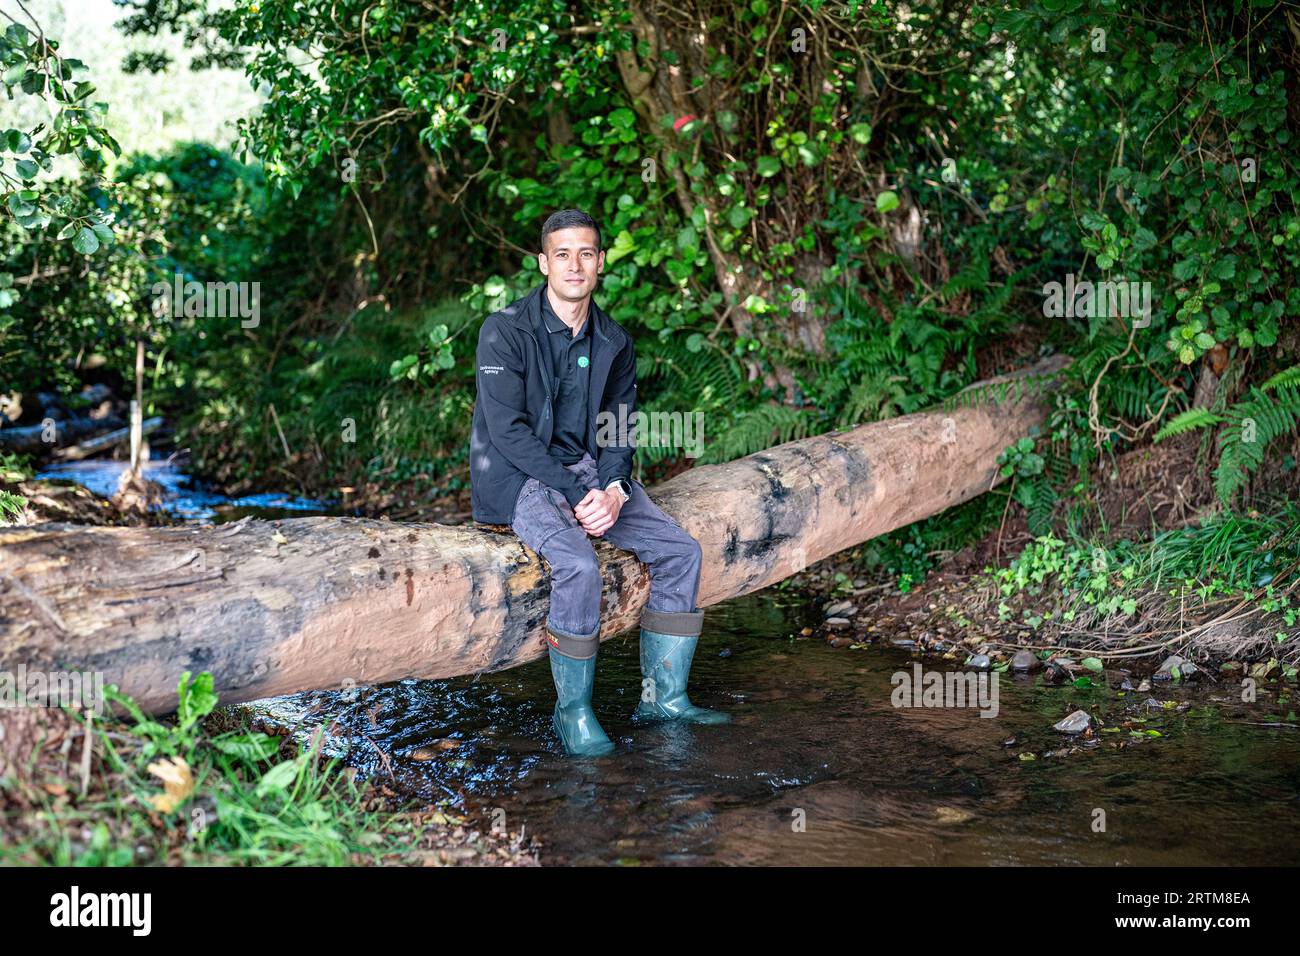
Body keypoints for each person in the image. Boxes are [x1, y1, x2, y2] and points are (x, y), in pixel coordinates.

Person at [470, 208, 728, 756]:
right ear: (544, 263)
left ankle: (663, 698)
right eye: (562, 254)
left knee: (681, 551)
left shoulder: (614, 340)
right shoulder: (504, 331)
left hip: (587, 475)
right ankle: (573, 713)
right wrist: (575, 494)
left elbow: (619, 428)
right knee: (579, 564)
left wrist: (614, 489)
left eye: (585, 253)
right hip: (520, 476)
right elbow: (508, 432)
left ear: (601, 262)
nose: (574, 265)